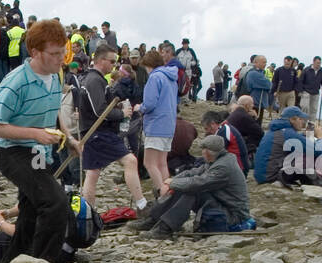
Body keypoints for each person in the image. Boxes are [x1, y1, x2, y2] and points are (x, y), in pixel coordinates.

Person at [0, 19, 79, 263]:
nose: (62, 59)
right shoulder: (15, 81)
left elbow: (54, 110)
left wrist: (68, 137)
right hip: (12, 151)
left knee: (31, 210)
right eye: (55, 53)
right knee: (56, 202)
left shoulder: (56, 76)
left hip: (40, 152)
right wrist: (35, 134)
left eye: (63, 52)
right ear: (35, 52)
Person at [134, 134, 252, 237]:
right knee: (183, 186)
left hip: (233, 216)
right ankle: (154, 219)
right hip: (222, 205)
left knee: (192, 191)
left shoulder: (223, 167)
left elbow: (199, 182)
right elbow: (192, 173)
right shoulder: (218, 160)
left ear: (207, 152)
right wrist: (170, 182)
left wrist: (173, 183)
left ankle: (164, 229)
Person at [78, 46, 146, 211]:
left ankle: (88, 213)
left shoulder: (94, 79)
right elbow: (100, 111)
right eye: (112, 61)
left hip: (91, 132)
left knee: (92, 173)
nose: (114, 65)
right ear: (101, 61)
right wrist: (121, 113)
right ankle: (142, 204)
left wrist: (118, 108)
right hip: (97, 132)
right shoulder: (94, 80)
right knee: (130, 161)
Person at [139, 48, 179, 195]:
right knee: (162, 163)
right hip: (169, 125)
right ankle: (168, 192)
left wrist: (139, 108)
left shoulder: (155, 78)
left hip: (156, 125)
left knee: (149, 163)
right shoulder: (171, 78)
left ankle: (162, 193)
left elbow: (149, 103)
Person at [253, 105, 318, 185]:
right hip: (272, 177)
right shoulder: (288, 133)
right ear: (292, 119)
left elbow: (295, 140)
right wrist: (320, 136)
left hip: (263, 175)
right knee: (306, 158)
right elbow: (314, 150)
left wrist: (306, 135)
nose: (303, 122)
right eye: (300, 119)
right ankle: (315, 186)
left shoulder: (278, 129)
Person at [225, 94, 264, 163]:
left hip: (229, 141)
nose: (253, 106)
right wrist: (256, 117)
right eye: (252, 104)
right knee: (257, 137)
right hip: (236, 144)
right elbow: (260, 132)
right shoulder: (244, 116)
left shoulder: (236, 112)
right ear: (246, 105)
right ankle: (251, 157)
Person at [300, 55, 322, 120]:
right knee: (305, 107)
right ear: (313, 62)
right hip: (306, 91)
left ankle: (311, 124)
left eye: (320, 63)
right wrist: (300, 91)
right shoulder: (306, 70)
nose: (319, 64)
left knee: (314, 109)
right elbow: (300, 81)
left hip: (315, 92)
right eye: (317, 63)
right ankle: (303, 122)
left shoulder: (321, 71)